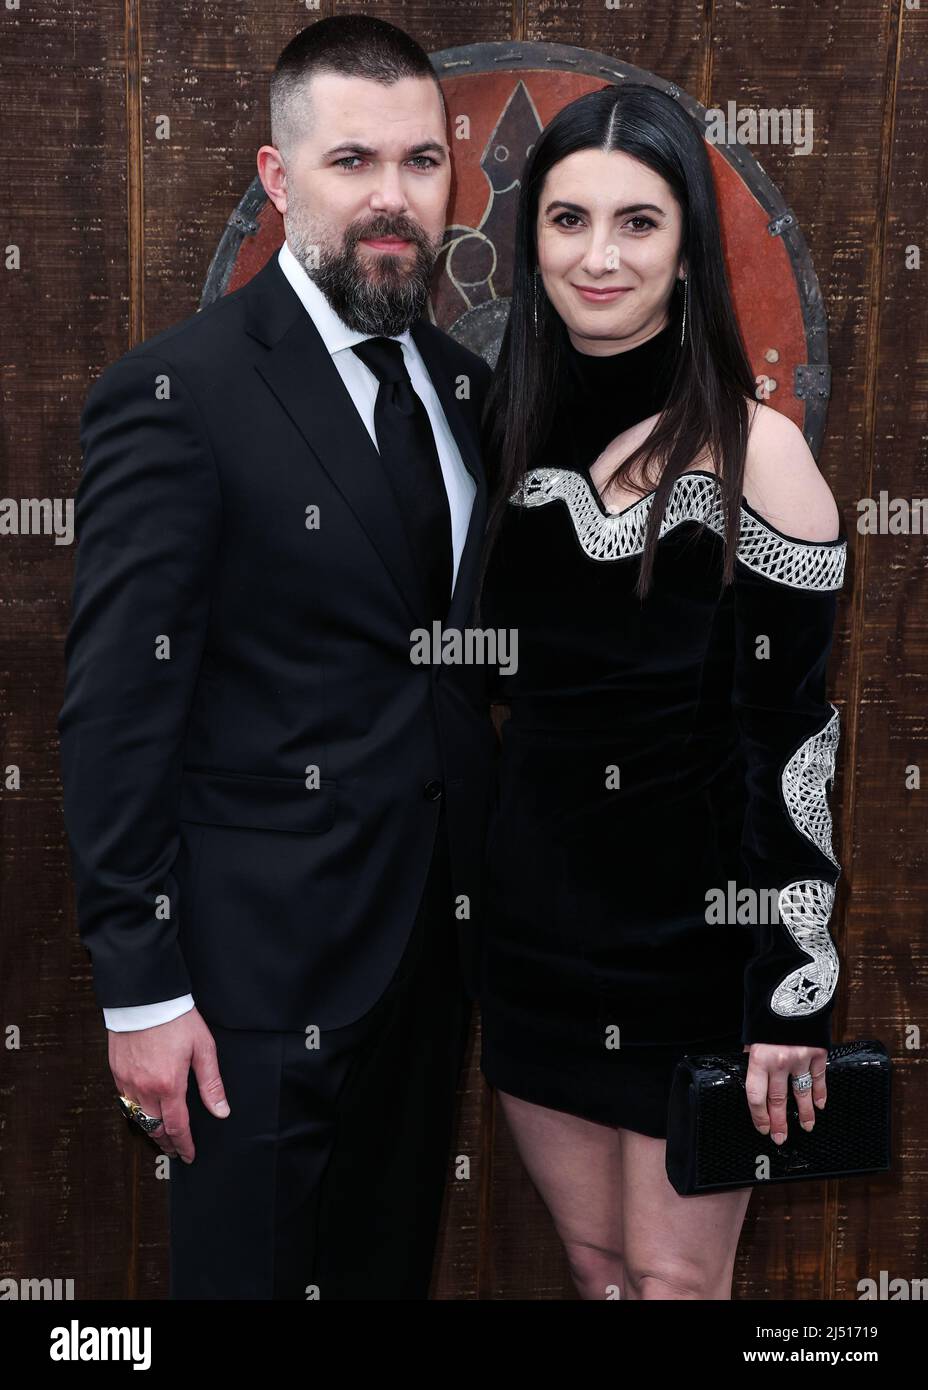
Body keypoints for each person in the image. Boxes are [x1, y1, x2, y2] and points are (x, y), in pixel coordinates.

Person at [57, 14, 495, 1300]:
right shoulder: (176, 394)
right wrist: (140, 991)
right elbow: (113, 710)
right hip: (247, 984)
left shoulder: (465, 391)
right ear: (275, 174)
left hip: (431, 958)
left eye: (421, 163)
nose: (391, 197)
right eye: (352, 161)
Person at [476, 81, 848, 1300]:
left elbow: (791, 748)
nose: (598, 255)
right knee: (595, 1271)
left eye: (638, 222)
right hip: (535, 941)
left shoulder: (760, 451)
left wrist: (789, 994)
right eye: (568, 219)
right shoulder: (498, 426)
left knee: (675, 1288)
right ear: (529, 242)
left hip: (699, 955)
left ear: (688, 246)